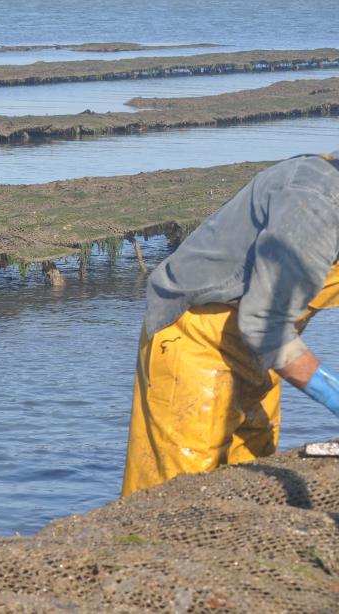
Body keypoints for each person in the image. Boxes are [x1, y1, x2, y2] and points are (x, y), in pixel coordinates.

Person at [122, 152, 339, 496]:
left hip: (263, 358)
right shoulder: (316, 205)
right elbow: (265, 323)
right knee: (178, 500)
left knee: (253, 488)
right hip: (196, 342)